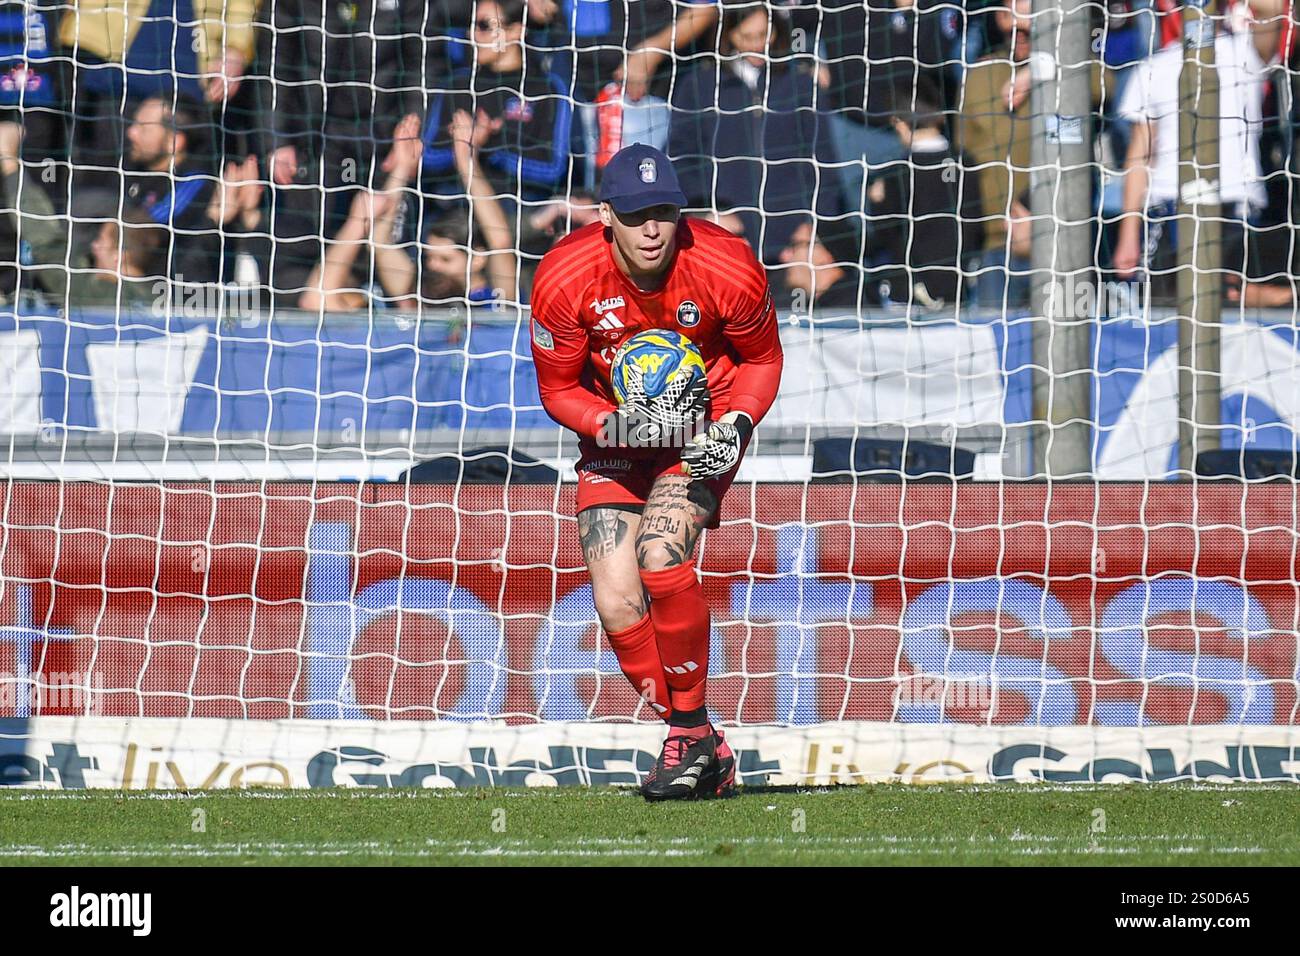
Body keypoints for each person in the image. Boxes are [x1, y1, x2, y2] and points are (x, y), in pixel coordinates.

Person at [529, 143, 783, 800]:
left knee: (662, 556)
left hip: (705, 431)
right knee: (615, 602)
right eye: (638, 214)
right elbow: (557, 391)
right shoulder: (563, 278)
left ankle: (687, 731)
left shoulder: (729, 266)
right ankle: (698, 741)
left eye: (665, 212)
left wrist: (738, 427)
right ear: (606, 213)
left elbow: (763, 360)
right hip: (617, 434)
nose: (652, 229)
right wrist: (617, 427)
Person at [1112, 0, 1289, 306]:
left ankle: (1265, 296)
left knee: (1230, 302)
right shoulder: (1153, 68)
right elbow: (1139, 157)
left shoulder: (1245, 53)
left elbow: (1273, 8)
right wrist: (1129, 233)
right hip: (1168, 209)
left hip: (1235, 205)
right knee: (1168, 304)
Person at [668, 2, 844, 265]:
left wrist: (816, 227)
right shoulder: (700, 86)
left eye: (764, 35)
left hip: (792, 243)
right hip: (726, 239)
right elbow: (681, 157)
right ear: (728, 35)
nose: (757, 45)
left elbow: (822, 160)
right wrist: (706, 213)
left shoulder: (801, 84)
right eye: (747, 37)